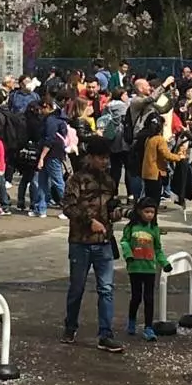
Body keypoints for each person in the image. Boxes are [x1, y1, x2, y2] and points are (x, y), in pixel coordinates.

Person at [61, 144, 123, 353]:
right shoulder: (76, 180)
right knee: (76, 288)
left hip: (104, 242)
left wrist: (116, 214)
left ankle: (105, 334)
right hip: (80, 242)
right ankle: (70, 327)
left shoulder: (109, 181)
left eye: (107, 158)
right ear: (91, 157)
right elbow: (69, 207)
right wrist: (90, 222)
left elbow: (111, 206)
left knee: (106, 289)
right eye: (101, 157)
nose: (105, 162)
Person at [118, 197, 165, 340]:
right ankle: (131, 321)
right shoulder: (131, 227)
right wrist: (128, 255)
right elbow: (124, 241)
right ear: (139, 211)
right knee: (136, 297)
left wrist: (164, 262)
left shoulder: (154, 229)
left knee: (149, 298)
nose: (150, 215)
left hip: (150, 268)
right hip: (135, 268)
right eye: (147, 211)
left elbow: (158, 249)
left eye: (152, 212)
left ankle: (148, 327)